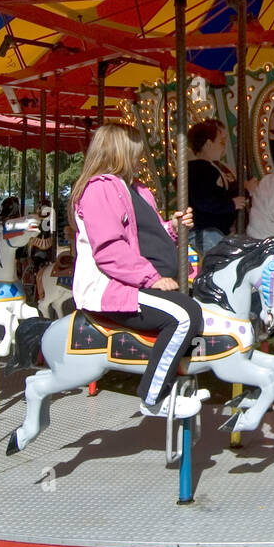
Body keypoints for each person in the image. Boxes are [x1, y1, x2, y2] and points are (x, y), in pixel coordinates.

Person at [70, 123, 204, 419]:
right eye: (135, 152)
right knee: (184, 315)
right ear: (119, 151)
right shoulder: (100, 189)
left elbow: (144, 236)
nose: (140, 158)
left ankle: (182, 381)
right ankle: (153, 397)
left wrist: (173, 227)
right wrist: (152, 278)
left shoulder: (137, 190)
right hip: (115, 287)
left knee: (201, 304)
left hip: (142, 280)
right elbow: (109, 251)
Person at [187, 119, 244, 255]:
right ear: (208, 144)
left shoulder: (210, 167)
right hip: (207, 232)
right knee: (219, 264)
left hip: (215, 230)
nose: (224, 146)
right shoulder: (201, 169)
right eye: (221, 142)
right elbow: (204, 200)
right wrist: (231, 204)